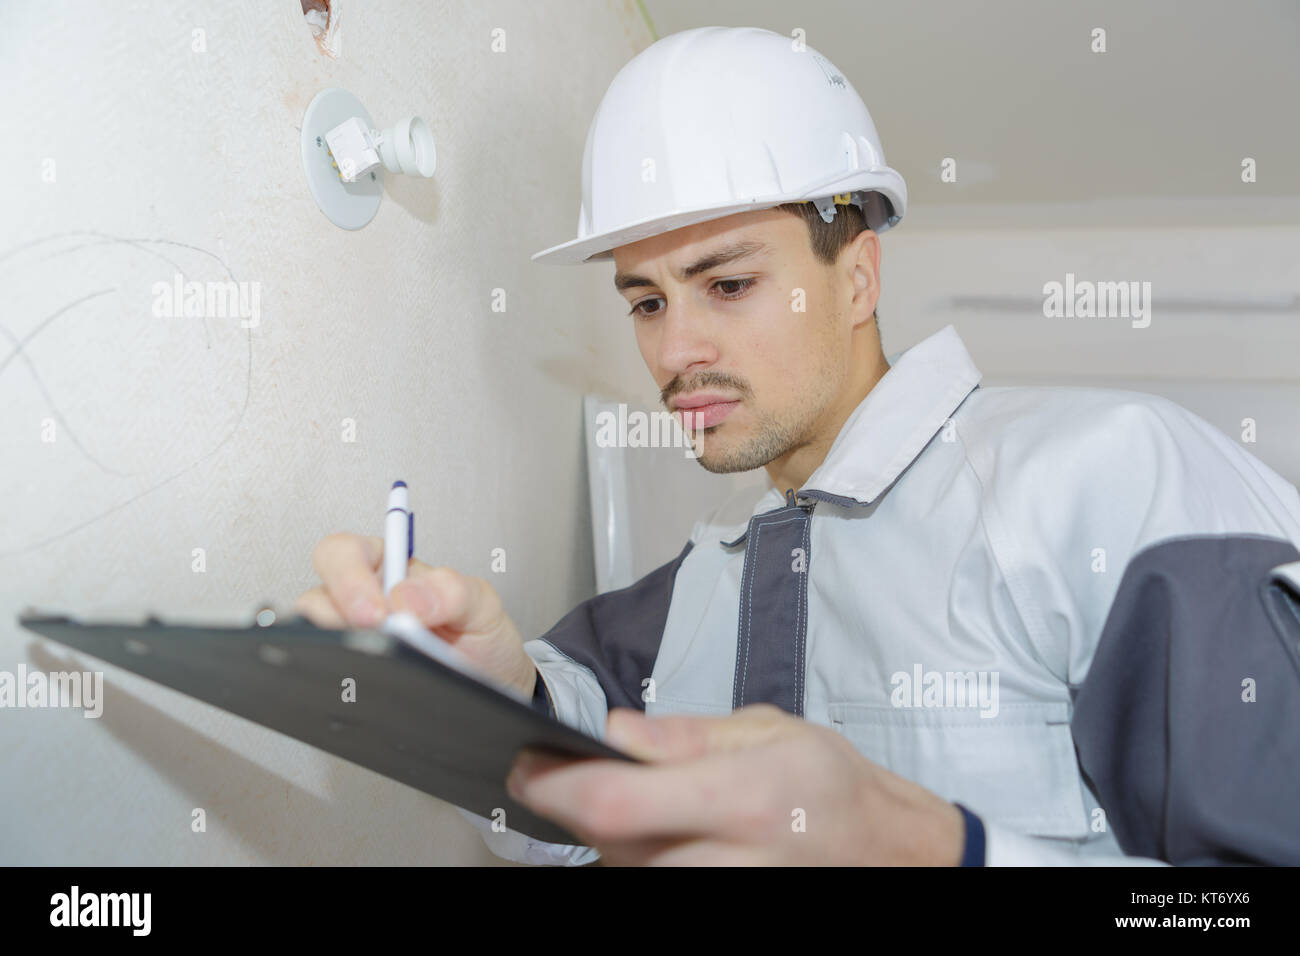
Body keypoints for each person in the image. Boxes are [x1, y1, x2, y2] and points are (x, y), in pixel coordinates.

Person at [294, 26, 1300, 866]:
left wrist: (929, 843)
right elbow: (578, 810)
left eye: (727, 283)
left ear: (857, 278)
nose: (673, 350)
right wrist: (497, 697)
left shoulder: (1115, 477)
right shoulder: (696, 588)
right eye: (646, 300)